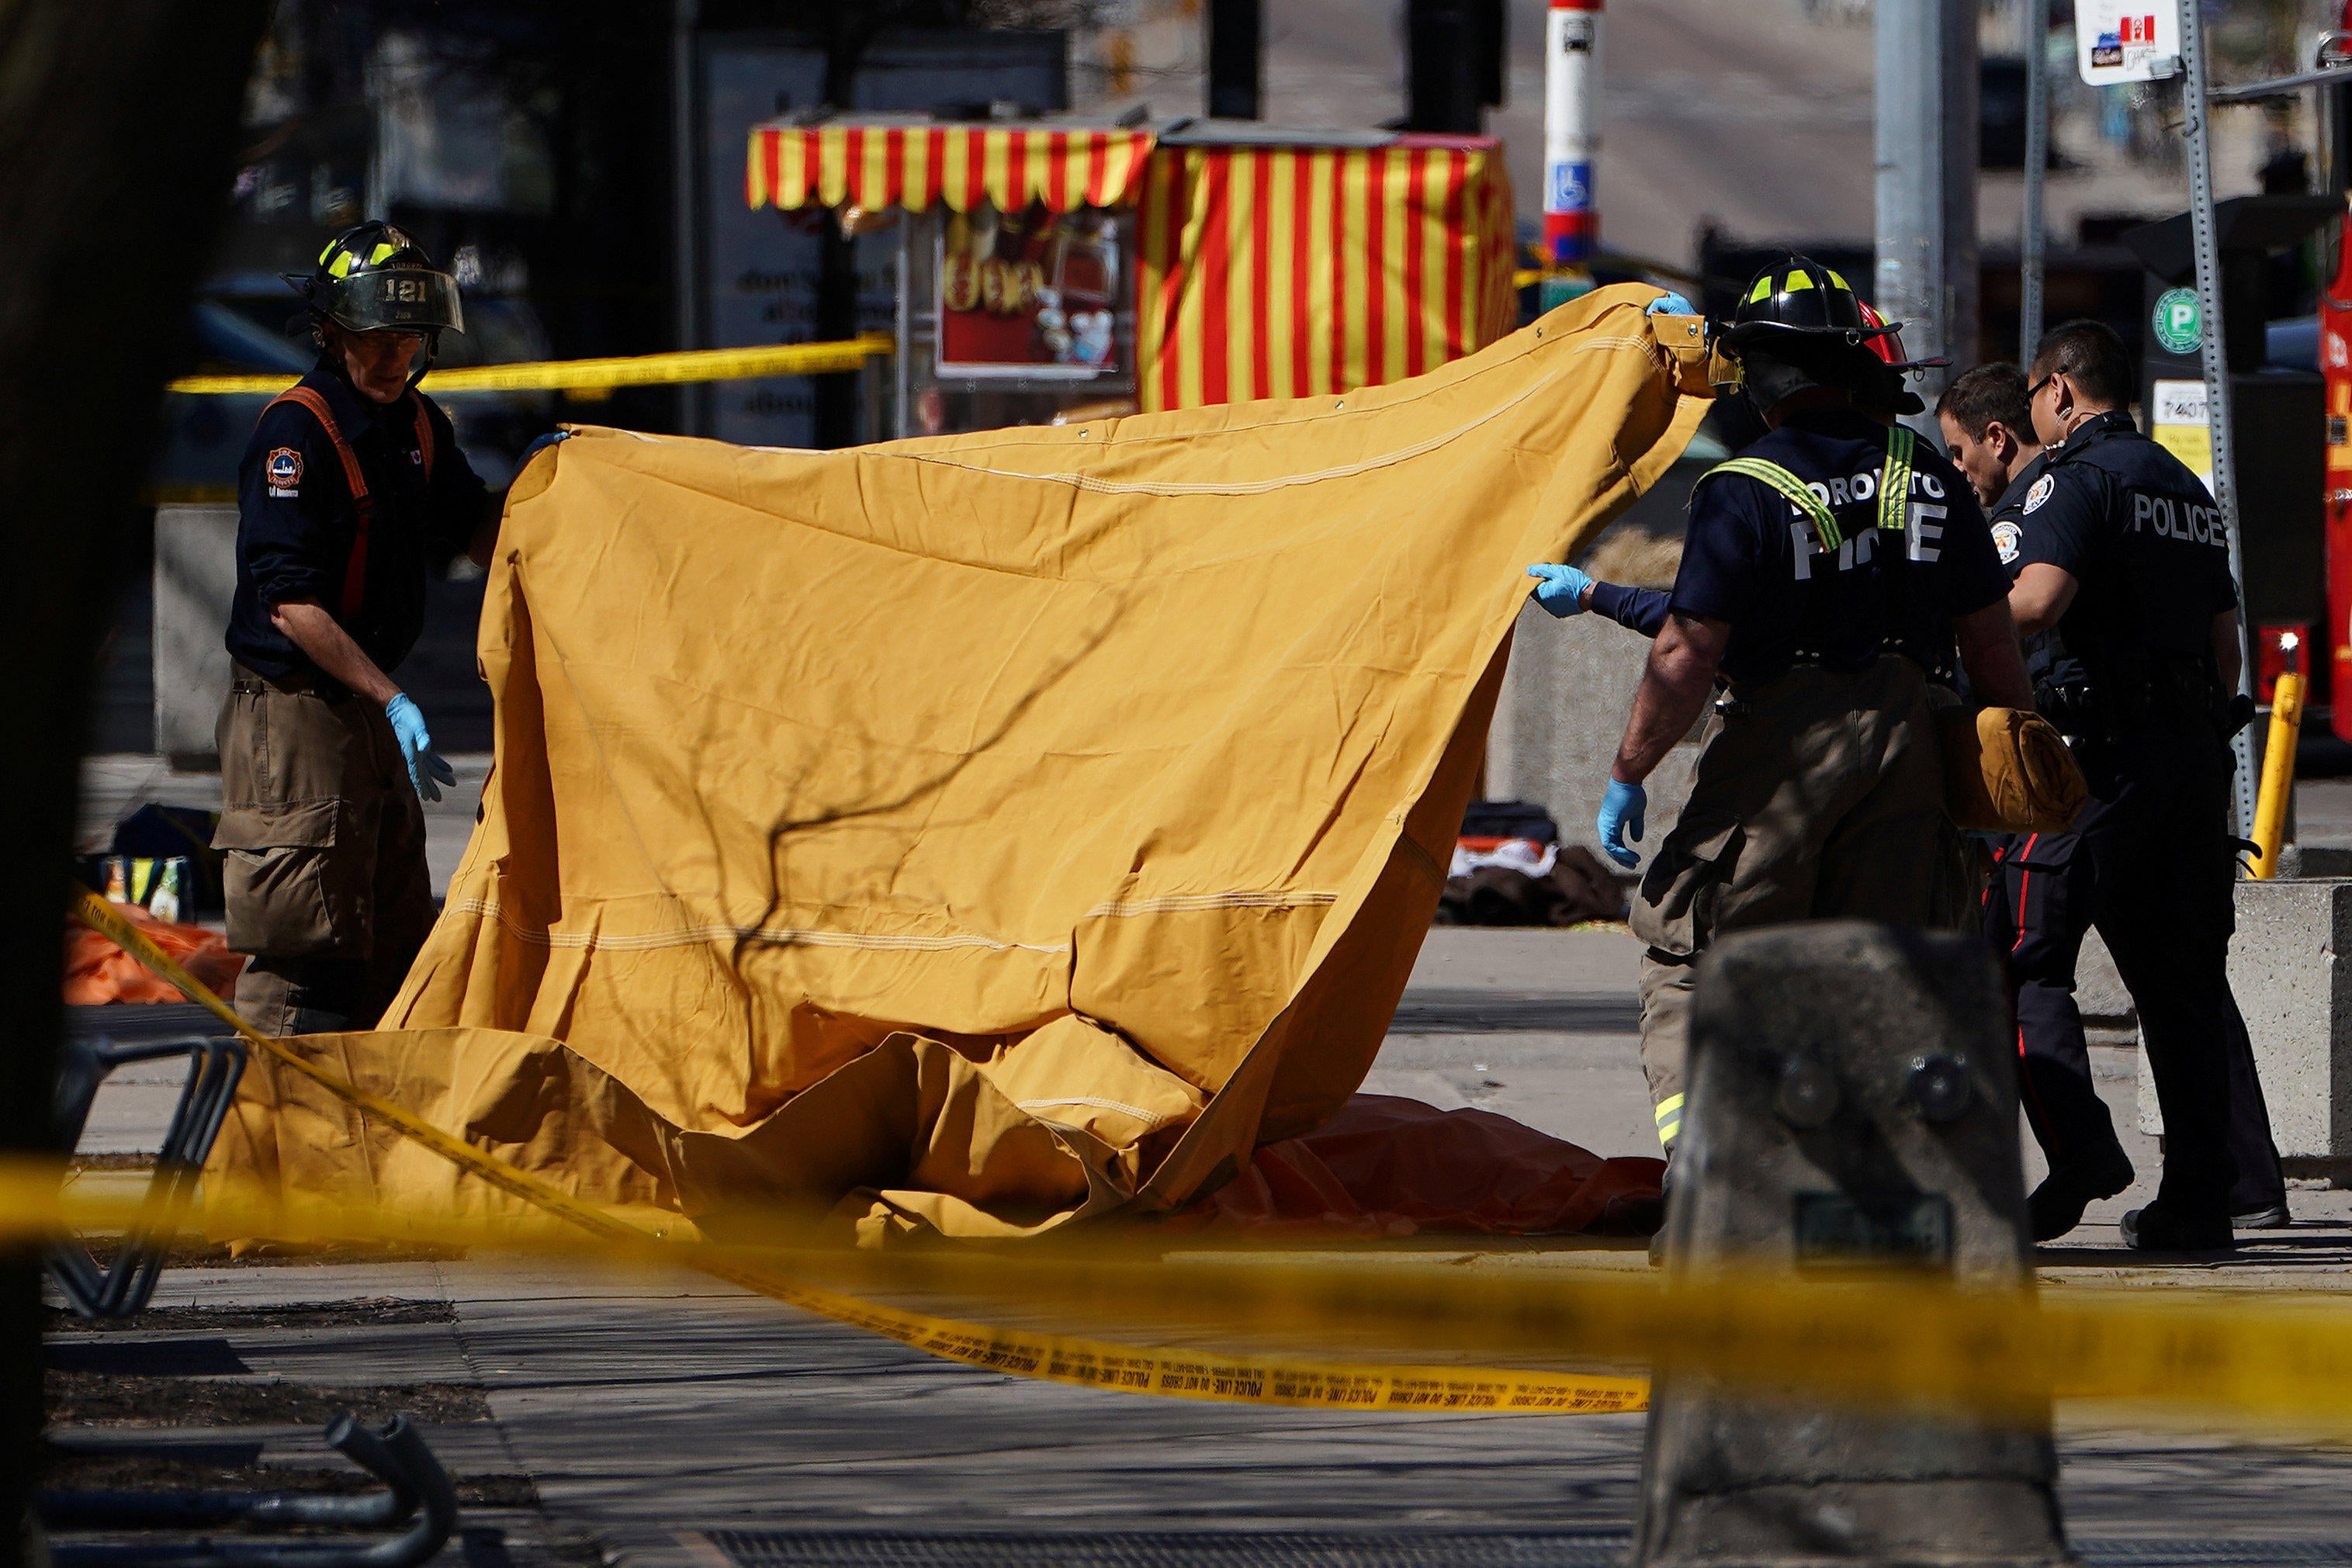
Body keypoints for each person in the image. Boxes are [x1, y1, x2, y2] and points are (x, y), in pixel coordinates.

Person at [1532, 258, 2035, 1158]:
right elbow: (1991, 646)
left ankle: (1707, 1167)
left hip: (1781, 759)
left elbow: (1689, 650)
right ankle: (1866, 1199)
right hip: (1911, 756)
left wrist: (1627, 771)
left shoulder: (1742, 488)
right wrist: (2006, 767)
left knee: (1696, 962)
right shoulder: (1923, 470)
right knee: (1879, 977)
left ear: (1758, 375)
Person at [1990, 320, 2284, 1249]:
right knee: (2181, 983)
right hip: (2189, 764)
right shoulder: (2183, 488)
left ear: (2061, 391)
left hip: (2097, 764)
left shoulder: (2074, 477)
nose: (2035, 412)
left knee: (2020, 957)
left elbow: (2034, 601)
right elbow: (2226, 645)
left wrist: (1953, 618)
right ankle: (2199, 1202)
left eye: (2035, 393)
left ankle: (2083, 1149)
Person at [219, 221, 521, 1036]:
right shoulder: (297, 434)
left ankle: (366, 1151)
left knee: (392, 946)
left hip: (370, 707)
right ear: (331, 331)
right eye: (375, 339)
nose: (393, 358)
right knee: (305, 956)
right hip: (293, 714)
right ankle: (265, 1150)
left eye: (408, 340)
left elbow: (479, 529)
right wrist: (392, 699)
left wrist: (556, 488)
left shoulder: (418, 426)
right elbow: (290, 601)